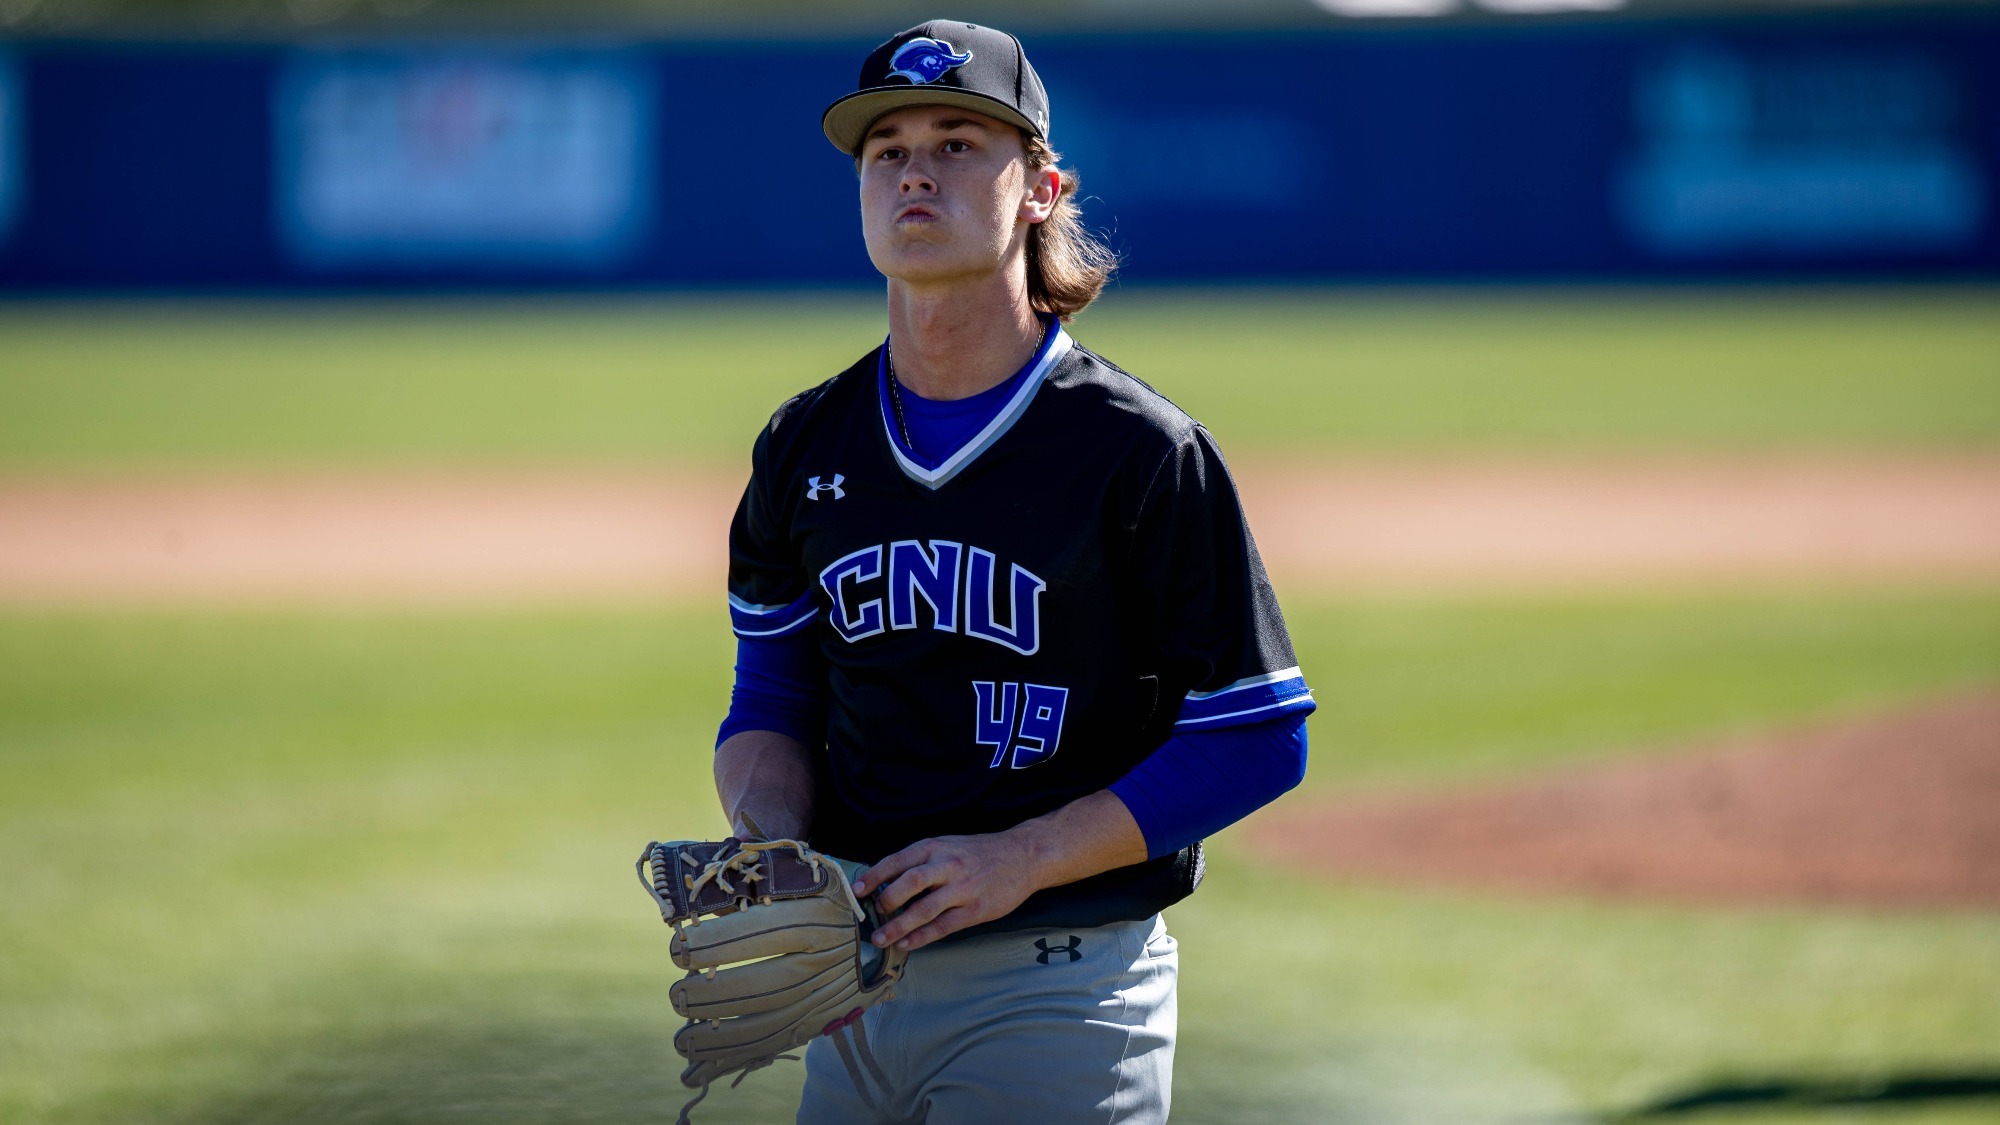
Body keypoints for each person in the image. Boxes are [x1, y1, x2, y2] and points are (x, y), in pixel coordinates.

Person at [713, 20, 1315, 1124]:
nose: (915, 172)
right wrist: (773, 847)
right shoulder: (803, 444)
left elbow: (1257, 734)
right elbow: (774, 700)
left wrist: (1023, 857)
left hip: (1059, 987)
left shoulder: (1138, 451)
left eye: (956, 143)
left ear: (1040, 189)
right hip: (850, 989)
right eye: (887, 150)